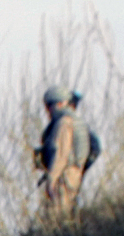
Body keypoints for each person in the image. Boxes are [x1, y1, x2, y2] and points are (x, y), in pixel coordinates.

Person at [36, 86, 103, 215]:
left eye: (50, 105)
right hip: (71, 175)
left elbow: (61, 155)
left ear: (60, 103)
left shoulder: (64, 123)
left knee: (58, 216)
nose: (48, 111)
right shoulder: (74, 121)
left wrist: (51, 181)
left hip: (64, 177)